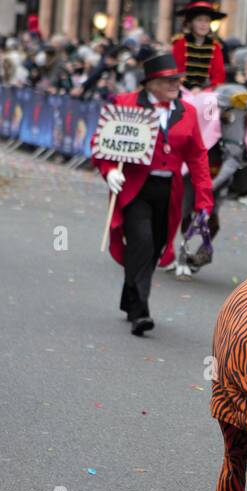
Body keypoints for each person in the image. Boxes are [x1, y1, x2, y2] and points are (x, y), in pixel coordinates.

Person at [94, 51, 214, 334]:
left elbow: (197, 156)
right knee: (142, 242)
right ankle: (140, 312)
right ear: (150, 83)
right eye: (169, 80)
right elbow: (102, 142)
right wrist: (110, 170)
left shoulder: (188, 111)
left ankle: (129, 295)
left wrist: (203, 197)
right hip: (135, 187)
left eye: (178, 80)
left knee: (156, 245)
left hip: (168, 191)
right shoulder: (125, 104)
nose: (176, 85)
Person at [171, 0, 226, 90]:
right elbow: (176, 71)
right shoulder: (180, 44)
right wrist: (190, 87)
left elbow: (218, 76)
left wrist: (205, 89)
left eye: (207, 21)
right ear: (190, 23)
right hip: (182, 90)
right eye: (199, 20)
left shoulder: (215, 46)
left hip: (207, 91)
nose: (203, 24)